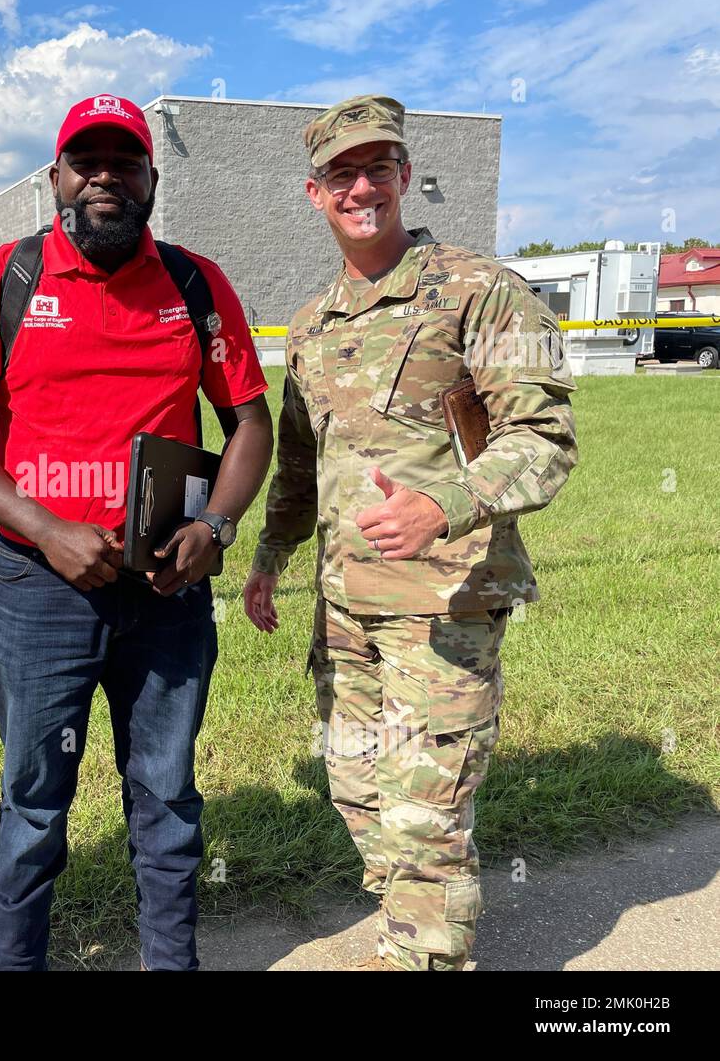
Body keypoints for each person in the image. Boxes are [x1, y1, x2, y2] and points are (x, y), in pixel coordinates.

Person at [0, 94, 273, 970]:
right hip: (39, 589)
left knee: (166, 794)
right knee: (34, 804)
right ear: (56, 179)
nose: (105, 179)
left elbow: (251, 424)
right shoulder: (0, 280)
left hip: (166, 589)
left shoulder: (196, 283)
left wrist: (216, 529)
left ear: (153, 178)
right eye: (88, 162)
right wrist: (48, 530)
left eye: (126, 163)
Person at [244, 95, 578, 971]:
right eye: (342, 174)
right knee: (359, 793)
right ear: (315, 194)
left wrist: (447, 504)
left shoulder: (480, 289)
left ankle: (421, 954)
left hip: (447, 603)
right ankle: (415, 930)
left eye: (379, 167)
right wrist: (269, 558)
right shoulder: (312, 322)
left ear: (402, 176)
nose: (364, 187)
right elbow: (299, 463)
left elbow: (543, 439)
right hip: (345, 606)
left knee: (425, 821)